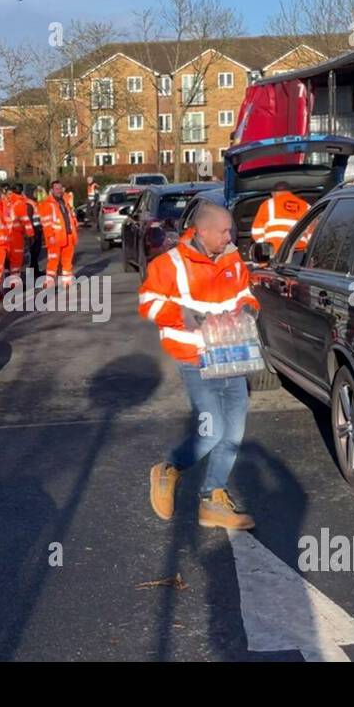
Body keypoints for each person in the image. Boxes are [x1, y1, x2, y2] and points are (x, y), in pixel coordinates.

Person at [138, 203, 258, 530]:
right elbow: (148, 303)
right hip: (195, 360)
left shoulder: (232, 258)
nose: (229, 236)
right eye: (223, 231)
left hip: (231, 356)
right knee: (212, 431)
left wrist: (247, 311)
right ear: (202, 231)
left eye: (230, 230)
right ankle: (169, 468)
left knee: (232, 433)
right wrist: (183, 316)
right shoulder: (170, 264)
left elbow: (247, 294)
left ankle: (212, 498)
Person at [250, 183, 309, 254]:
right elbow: (313, 232)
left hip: (275, 250)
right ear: (290, 192)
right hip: (299, 252)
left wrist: (266, 246)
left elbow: (256, 231)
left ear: (273, 193)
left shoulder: (268, 204)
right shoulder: (306, 206)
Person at [38, 180, 77, 287]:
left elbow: (70, 217)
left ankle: (67, 282)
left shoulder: (64, 201)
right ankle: (49, 282)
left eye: (60, 189)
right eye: (57, 189)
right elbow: (46, 223)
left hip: (68, 235)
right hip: (56, 237)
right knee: (53, 260)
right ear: (51, 190)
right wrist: (50, 236)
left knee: (67, 260)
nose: (59, 191)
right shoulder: (47, 204)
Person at [4, 183, 33, 285]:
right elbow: (25, 219)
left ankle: (8, 283)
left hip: (7, 235)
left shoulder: (7, 202)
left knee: (8, 262)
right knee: (16, 261)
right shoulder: (19, 203)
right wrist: (30, 234)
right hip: (16, 235)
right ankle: (14, 284)